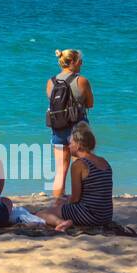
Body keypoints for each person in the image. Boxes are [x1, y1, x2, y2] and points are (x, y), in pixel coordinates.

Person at [39, 122, 113, 231]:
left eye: (70, 143)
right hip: (106, 216)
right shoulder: (104, 162)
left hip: (90, 216)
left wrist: (63, 202)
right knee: (61, 205)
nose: (68, 146)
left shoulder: (79, 165)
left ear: (78, 145)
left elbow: (75, 198)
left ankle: (62, 223)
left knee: (43, 213)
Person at [46, 48, 94, 197]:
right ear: (72, 62)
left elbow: (52, 101)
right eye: (80, 60)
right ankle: (79, 198)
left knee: (61, 169)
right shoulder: (82, 81)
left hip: (59, 126)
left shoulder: (51, 82)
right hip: (78, 128)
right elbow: (90, 104)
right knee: (81, 165)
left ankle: (57, 201)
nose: (82, 63)